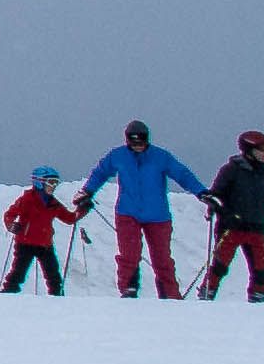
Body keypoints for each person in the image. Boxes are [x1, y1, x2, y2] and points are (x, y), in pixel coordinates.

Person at [79, 122, 202, 301]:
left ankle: (170, 295)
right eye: (134, 143)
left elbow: (182, 174)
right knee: (129, 255)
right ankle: (129, 289)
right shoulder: (118, 155)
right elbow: (100, 173)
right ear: (127, 140)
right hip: (127, 212)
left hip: (158, 215)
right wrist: (87, 191)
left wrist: (202, 193)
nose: (138, 146)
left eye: (141, 143)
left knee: (162, 258)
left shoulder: (161, 157)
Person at [198, 131, 264, 303]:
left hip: (256, 228)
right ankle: (208, 292)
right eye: (262, 149)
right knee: (221, 265)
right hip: (231, 228)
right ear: (249, 150)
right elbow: (216, 197)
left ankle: (257, 298)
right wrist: (226, 214)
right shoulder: (231, 170)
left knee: (259, 269)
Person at [0, 165, 88, 295]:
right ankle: (7, 294)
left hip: (45, 245)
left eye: (56, 183)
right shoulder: (27, 199)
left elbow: (69, 218)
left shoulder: (53, 203)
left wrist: (83, 209)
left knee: (53, 275)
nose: (54, 186)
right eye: (51, 182)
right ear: (39, 182)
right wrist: (11, 225)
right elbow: (10, 214)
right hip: (25, 243)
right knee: (18, 273)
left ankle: (56, 297)